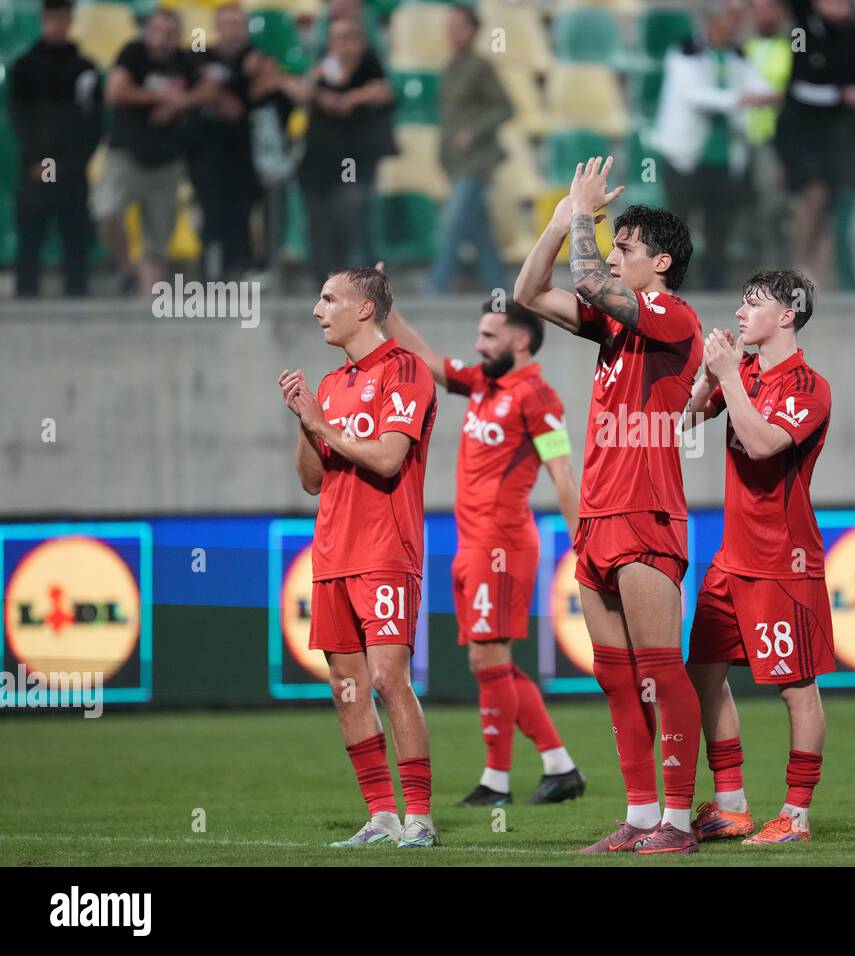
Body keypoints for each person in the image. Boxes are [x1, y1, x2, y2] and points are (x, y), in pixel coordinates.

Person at [514, 158, 704, 854]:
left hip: (647, 512)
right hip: (598, 516)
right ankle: (640, 814)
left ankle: (679, 823)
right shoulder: (616, 330)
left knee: (661, 667)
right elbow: (529, 290)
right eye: (613, 245)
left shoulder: (671, 315)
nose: (613, 257)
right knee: (618, 679)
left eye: (626, 248)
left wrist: (588, 219)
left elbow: (588, 279)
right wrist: (563, 221)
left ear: (660, 262)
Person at [384, 293, 588, 808]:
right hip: (470, 544)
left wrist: (584, 546)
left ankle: (496, 781)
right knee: (486, 661)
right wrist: (385, 311)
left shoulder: (537, 397)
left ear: (521, 340)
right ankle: (559, 765)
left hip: (501, 545)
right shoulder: (482, 382)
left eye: (489, 336)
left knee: (489, 658)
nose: (478, 345)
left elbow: (563, 475)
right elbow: (426, 361)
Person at [278, 267, 439, 848]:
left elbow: (389, 459)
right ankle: (382, 816)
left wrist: (322, 422)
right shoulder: (332, 382)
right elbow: (311, 481)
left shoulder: (407, 371)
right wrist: (306, 421)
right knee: (346, 685)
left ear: (364, 308)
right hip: (332, 554)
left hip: (385, 550)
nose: (317, 309)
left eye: (328, 299)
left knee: (388, 678)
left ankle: (419, 818)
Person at [683, 269, 834, 845]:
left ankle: (795, 815)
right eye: (741, 302)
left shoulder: (809, 387)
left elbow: (765, 445)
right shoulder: (740, 372)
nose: (741, 313)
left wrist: (729, 378)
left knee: (796, 689)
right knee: (703, 672)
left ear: (787, 316)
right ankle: (731, 804)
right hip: (732, 558)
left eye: (753, 304)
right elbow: (693, 419)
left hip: (784, 562)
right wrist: (709, 374)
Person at [653, 0, 774, 290]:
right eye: (729, 18)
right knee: (679, 226)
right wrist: (739, 99)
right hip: (685, 156)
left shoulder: (738, 56)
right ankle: (675, 286)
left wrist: (766, 94)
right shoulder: (684, 53)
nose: (734, 25)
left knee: (720, 225)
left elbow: (758, 84)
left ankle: (714, 285)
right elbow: (694, 95)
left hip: (723, 158)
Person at [95, 9, 215, 296]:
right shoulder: (133, 54)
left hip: (166, 161)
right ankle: (125, 267)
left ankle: (147, 305)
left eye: (170, 33)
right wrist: (160, 97)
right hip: (126, 154)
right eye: (158, 31)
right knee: (107, 212)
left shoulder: (185, 60)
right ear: (148, 32)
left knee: (157, 241)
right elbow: (115, 91)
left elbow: (210, 89)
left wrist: (180, 102)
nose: (163, 39)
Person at [775, 0, 855, 285]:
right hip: (802, 131)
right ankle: (795, 268)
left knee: (832, 203)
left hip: (839, 135)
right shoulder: (803, 32)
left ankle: (819, 276)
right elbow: (800, 87)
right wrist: (841, 95)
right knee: (813, 195)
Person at [286, 17, 395, 287]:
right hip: (318, 162)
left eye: (349, 37)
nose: (343, 44)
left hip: (354, 161)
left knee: (351, 218)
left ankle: (359, 284)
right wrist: (318, 90)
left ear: (361, 42)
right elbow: (298, 90)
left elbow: (383, 92)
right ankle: (324, 283)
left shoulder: (370, 67)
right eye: (338, 38)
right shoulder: (323, 70)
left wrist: (349, 99)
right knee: (318, 222)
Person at [8, 0, 101, 298]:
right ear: (43, 19)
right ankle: (27, 293)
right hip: (38, 167)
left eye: (63, 18)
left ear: (70, 20)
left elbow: (94, 123)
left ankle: (77, 294)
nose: (57, 24)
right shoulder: (25, 67)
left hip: (71, 168)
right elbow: (19, 118)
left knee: (74, 233)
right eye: (52, 18)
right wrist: (41, 161)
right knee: (32, 231)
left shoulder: (84, 68)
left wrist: (71, 164)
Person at [427, 5, 512, 294]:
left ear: (472, 31)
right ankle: (501, 289)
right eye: (449, 25)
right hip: (455, 161)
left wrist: (473, 132)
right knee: (478, 232)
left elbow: (504, 107)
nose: (451, 31)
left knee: (452, 225)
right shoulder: (451, 66)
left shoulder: (479, 66)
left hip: (476, 161)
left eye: (458, 26)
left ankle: (435, 289)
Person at [189, 3, 259, 280]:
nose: (232, 30)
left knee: (241, 213)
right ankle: (210, 275)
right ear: (217, 27)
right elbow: (193, 90)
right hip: (205, 150)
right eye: (227, 23)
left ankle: (240, 270)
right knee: (210, 213)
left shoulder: (255, 58)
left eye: (237, 23)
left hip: (244, 151)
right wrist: (219, 97)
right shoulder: (199, 56)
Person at [742, 0, 793, 269]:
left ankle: (772, 272)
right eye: (757, 8)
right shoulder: (744, 49)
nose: (762, 14)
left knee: (771, 209)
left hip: (773, 141)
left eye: (768, 7)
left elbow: (791, 96)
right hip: (739, 140)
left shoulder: (791, 49)